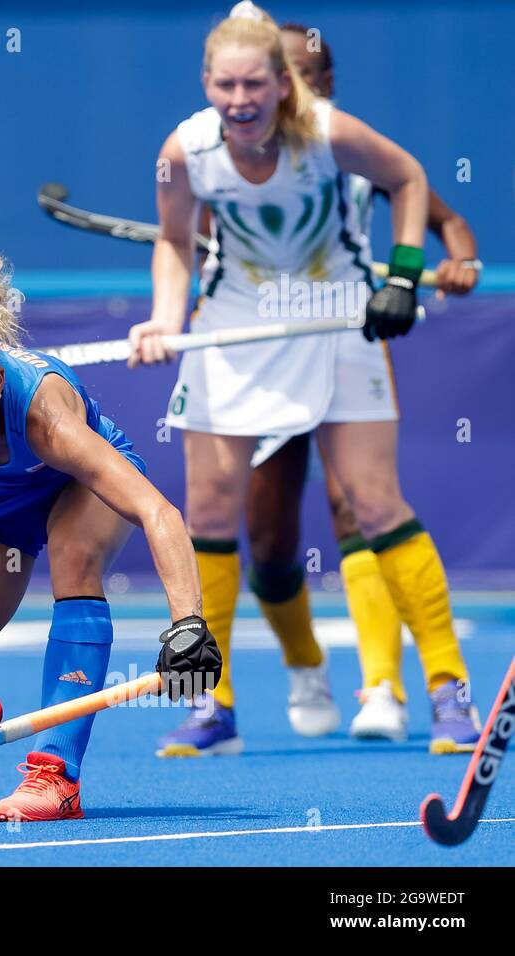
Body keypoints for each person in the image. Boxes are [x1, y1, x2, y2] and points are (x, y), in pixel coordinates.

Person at [126, 3, 480, 757]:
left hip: (337, 321)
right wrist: (163, 318)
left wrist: (405, 277)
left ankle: (450, 693)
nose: (239, 101)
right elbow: (175, 242)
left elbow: (411, 178)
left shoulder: (325, 133)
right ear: (206, 82)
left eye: (254, 83)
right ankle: (209, 705)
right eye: (224, 85)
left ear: (283, 84)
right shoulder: (185, 151)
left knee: (377, 504)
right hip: (232, 329)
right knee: (212, 515)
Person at [0, 236, 220, 822]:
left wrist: (187, 627)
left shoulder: (48, 420)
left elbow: (160, 512)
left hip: (71, 487)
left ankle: (55, 776)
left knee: (73, 551)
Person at [231, 21, 482, 748]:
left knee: (359, 508)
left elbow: (449, 219)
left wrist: (460, 259)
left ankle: (387, 687)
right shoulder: (234, 156)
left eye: (302, 74)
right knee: (269, 543)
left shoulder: (352, 148)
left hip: (348, 339)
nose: (287, 88)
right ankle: (306, 665)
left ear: (324, 84)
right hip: (266, 355)